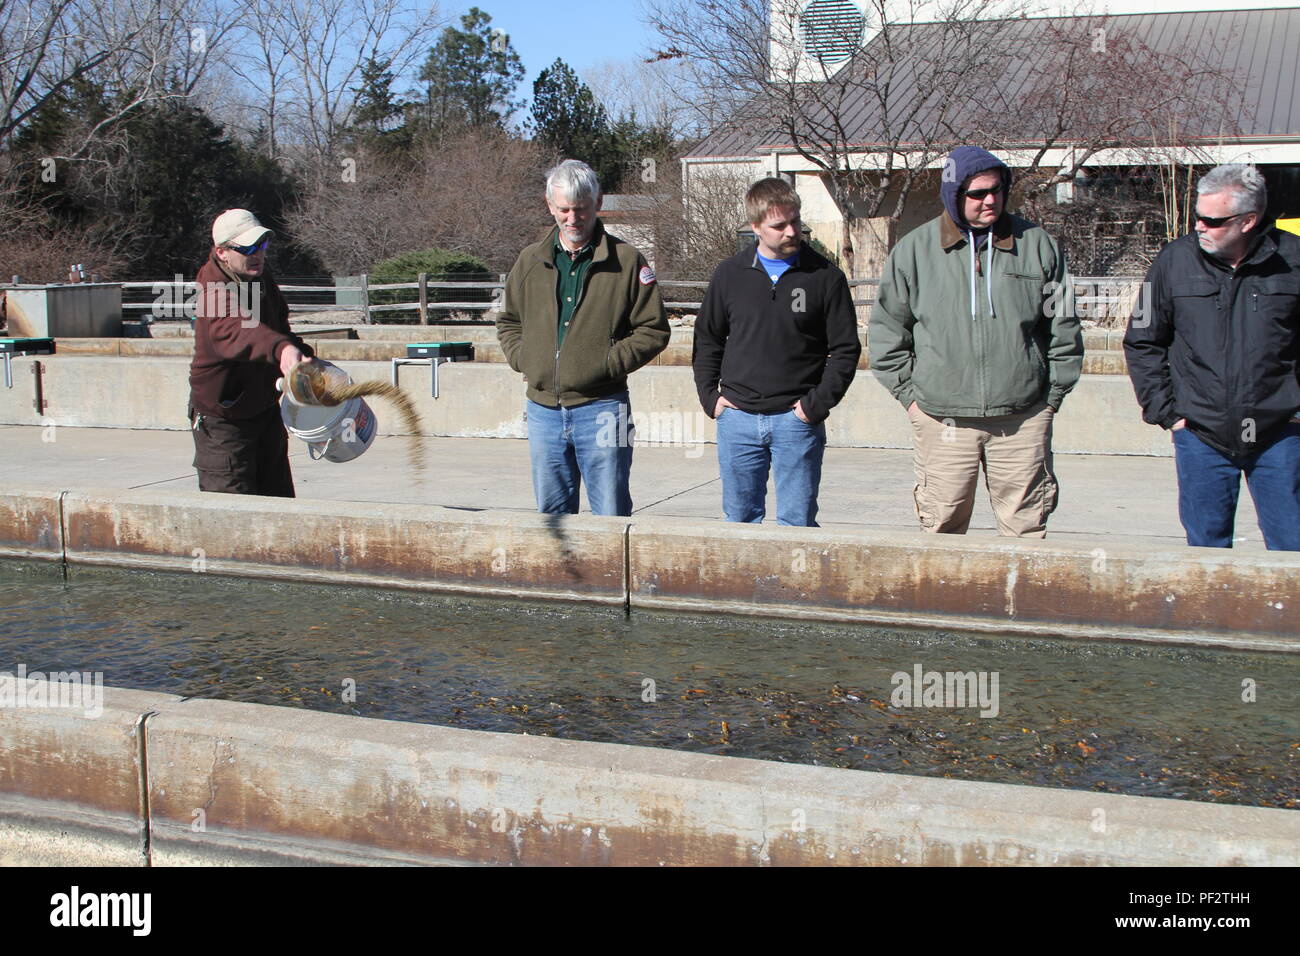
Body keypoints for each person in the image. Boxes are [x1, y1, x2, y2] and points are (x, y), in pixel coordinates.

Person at [870, 146, 1082, 537]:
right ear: (953, 194)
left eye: (997, 190)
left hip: (1022, 417)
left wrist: (1050, 400)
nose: (990, 200)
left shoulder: (1036, 246)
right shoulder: (914, 252)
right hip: (942, 419)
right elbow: (887, 332)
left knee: (1026, 531)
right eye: (977, 193)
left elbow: (1063, 327)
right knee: (943, 528)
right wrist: (911, 399)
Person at [1124, 163, 1300, 550]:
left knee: (1292, 550)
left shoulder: (1293, 261)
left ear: (1248, 220)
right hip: (1201, 434)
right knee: (1206, 552)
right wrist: (1167, 413)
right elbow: (1142, 340)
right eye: (1197, 217)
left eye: (1212, 220)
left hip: (1280, 432)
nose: (1200, 226)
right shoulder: (1174, 261)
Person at [495, 160, 669, 516]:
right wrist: (526, 359)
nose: (573, 219)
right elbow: (508, 321)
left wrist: (605, 363)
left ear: (598, 203)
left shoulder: (627, 261)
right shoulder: (529, 262)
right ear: (550, 206)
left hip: (606, 409)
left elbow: (654, 329)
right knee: (553, 516)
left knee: (611, 510)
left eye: (581, 209)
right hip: (543, 411)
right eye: (564, 210)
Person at [691, 177, 860, 526]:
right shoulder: (729, 275)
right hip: (736, 418)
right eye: (778, 225)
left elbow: (845, 349)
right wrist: (711, 399)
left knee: (796, 523)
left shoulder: (825, 277)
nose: (790, 231)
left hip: (795, 422)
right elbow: (707, 340)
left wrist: (813, 407)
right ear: (755, 227)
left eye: (795, 221)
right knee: (740, 521)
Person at [189, 208, 316, 497]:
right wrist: (282, 351)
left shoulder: (260, 277)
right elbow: (239, 330)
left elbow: (278, 328)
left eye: (262, 245)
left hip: (265, 411)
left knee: (278, 506)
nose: (257, 253)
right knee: (234, 518)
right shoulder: (213, 292)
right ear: (222, 252)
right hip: (224, 422)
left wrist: (304, 356)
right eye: (247, 248)